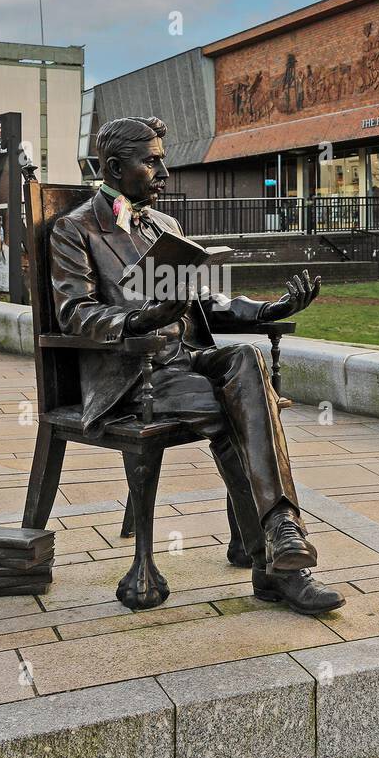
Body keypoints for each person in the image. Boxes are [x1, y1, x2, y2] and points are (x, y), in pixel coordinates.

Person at [49, 115, 344, 616]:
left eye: (163, 159)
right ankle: (280, 556)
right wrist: (142, 318)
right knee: (240, 406)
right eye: (152, 161)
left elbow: (206, 299)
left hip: (186, 360)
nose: (164, 171)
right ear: (116, 167)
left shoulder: (166, 226)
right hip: (133, 375)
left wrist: (269, 310)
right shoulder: (74, 230)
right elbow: (75, 312)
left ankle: (277, 547)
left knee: (245, 360)